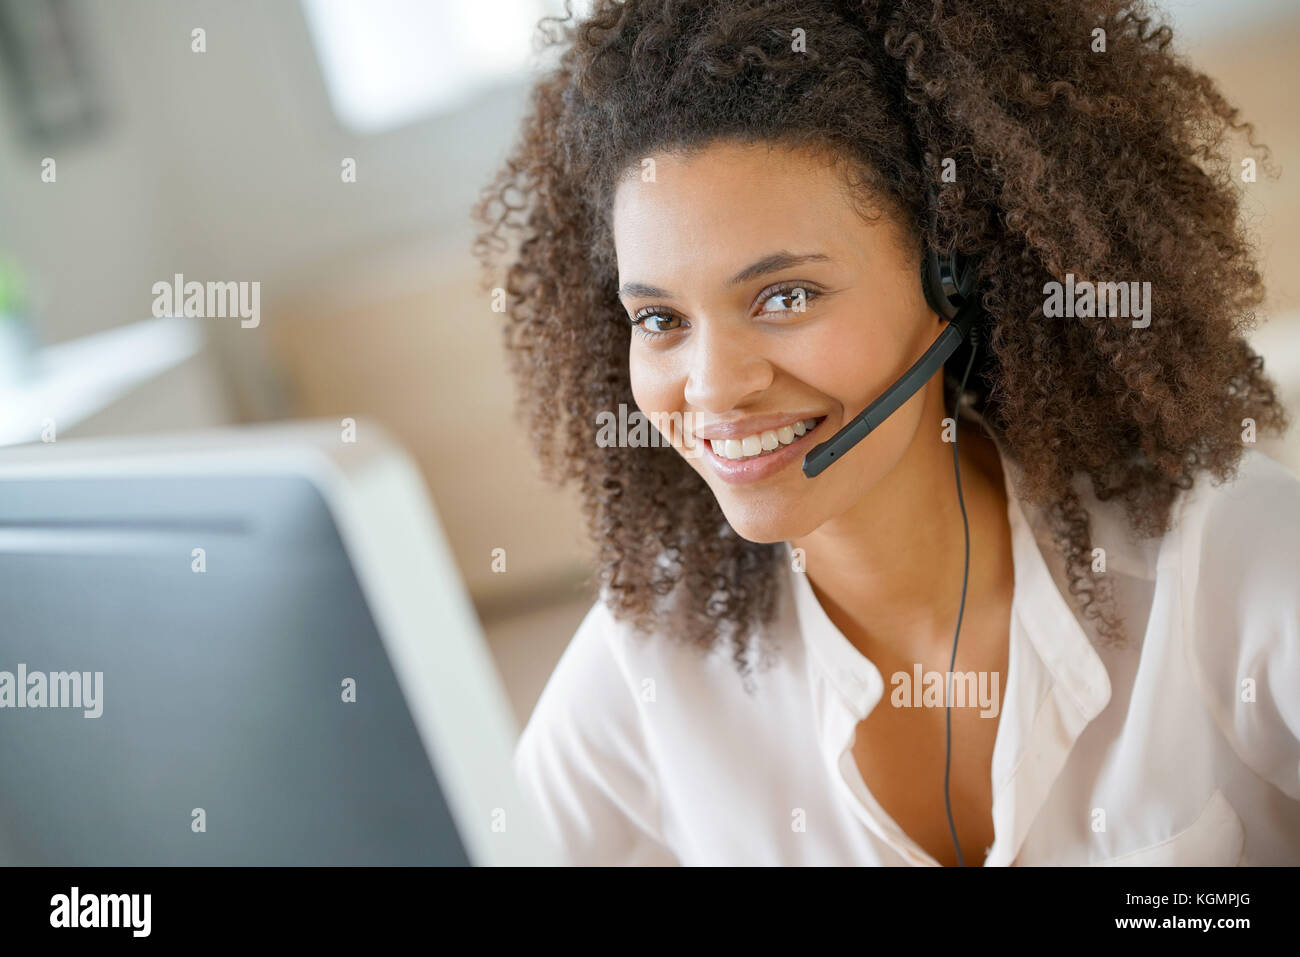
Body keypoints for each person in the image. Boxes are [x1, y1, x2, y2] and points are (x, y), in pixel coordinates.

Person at [471, 0, 1300, 866]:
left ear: (952, 279)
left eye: (785, 296)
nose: (713, 387)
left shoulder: (1221, 557)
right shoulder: (645, 670)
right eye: (660, 318)